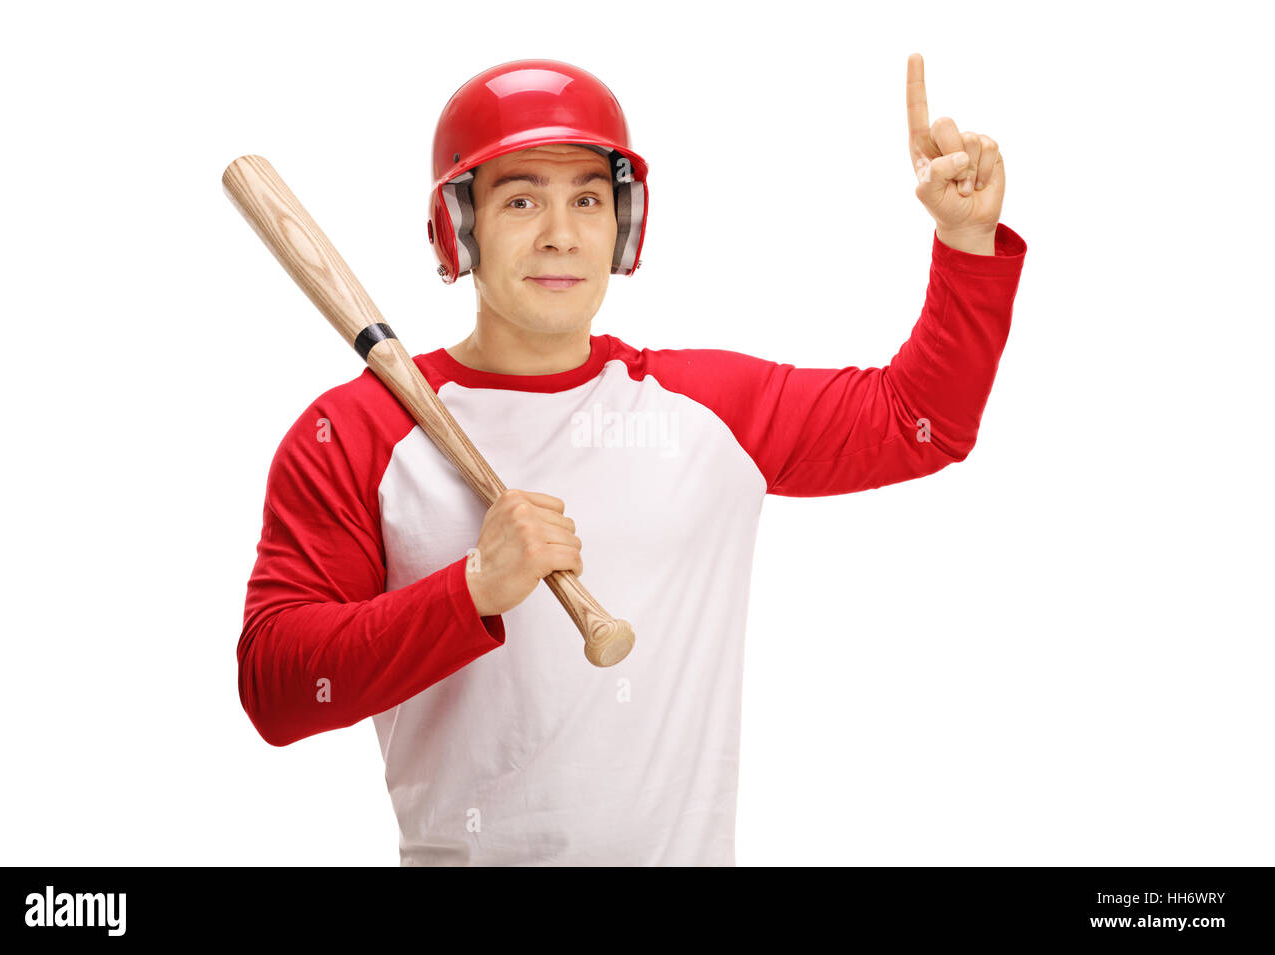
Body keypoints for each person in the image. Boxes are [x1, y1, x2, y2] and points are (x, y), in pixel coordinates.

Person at [237, 56, 1027, 866]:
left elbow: (920, 422)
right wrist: (472, 588)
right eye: (520, 199)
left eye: (587, 197)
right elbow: (277, 690)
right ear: (460, 228)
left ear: (626, 224)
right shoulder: (355, 431)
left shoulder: (713, 410)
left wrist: (965, 242)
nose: (561, 232)